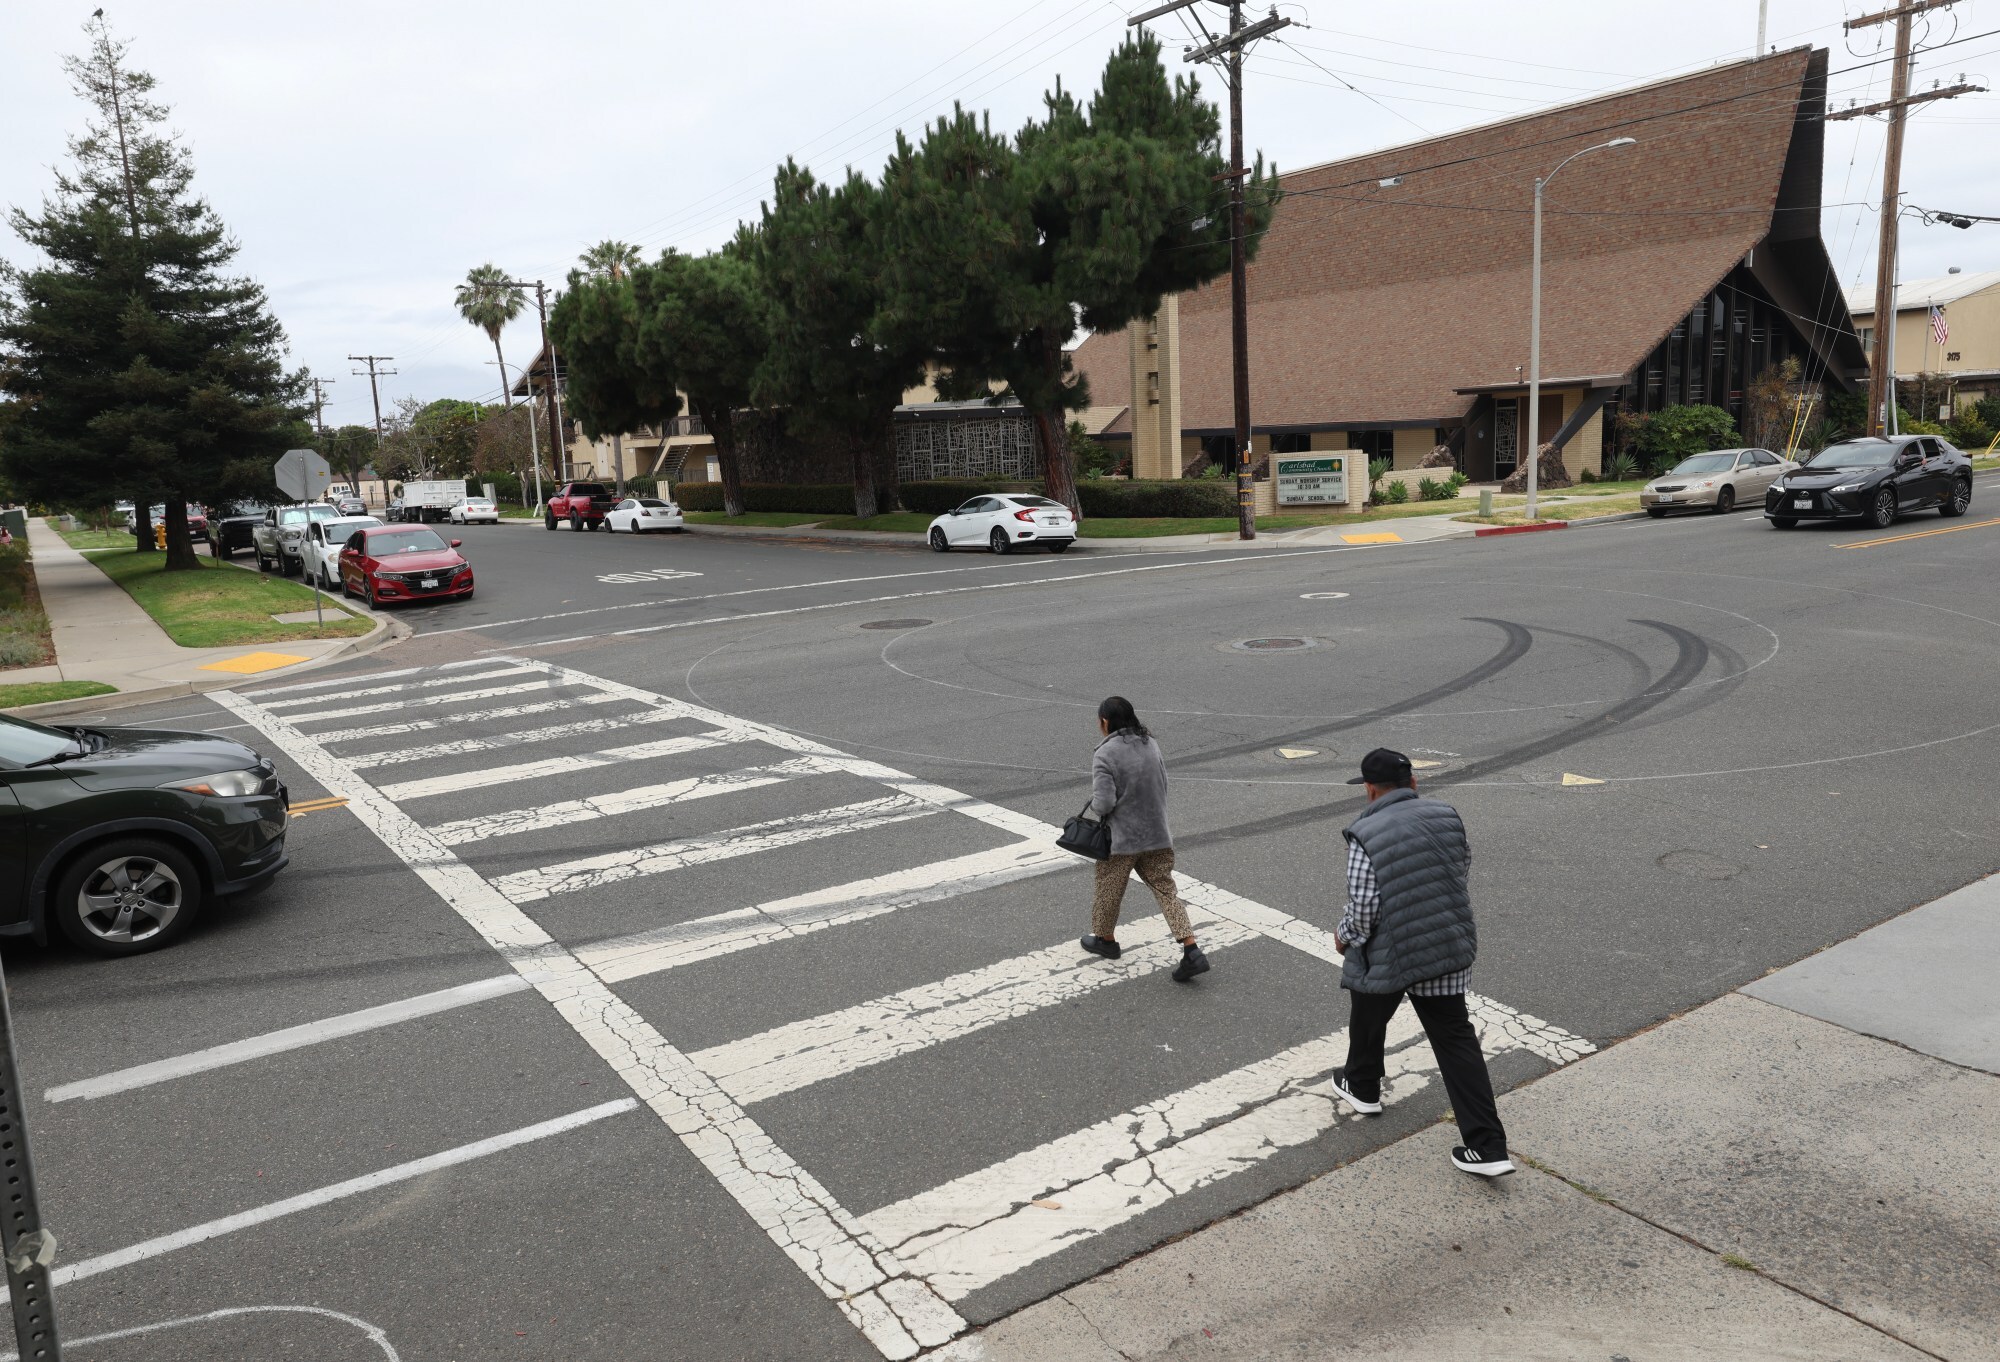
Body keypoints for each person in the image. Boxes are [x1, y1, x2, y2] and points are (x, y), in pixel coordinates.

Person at [1329, 747, 1512, 1177]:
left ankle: (1363, 1085)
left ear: (1370, 790)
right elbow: (1459, 867)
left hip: (1394, 952)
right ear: (1413, 782)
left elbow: (1365, 906)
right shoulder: (1447, 815)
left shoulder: (1365, 833)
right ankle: (1488, 1147)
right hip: (1446, 943)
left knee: (1369, 1002)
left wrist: (1345, 936)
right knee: (1454, 1037)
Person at [1078, 696, 1210, 982]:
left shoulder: (1105, 754)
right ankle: (1191, 948)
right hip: (1157, 835)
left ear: (1105, 722)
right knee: (1166, 891)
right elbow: (1163, 784)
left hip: (1123, 840)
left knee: (1108, 889)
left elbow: (1103, 804)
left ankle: (1106, 939)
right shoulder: (1151, 744)